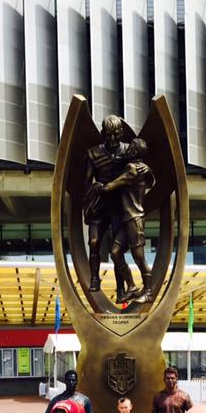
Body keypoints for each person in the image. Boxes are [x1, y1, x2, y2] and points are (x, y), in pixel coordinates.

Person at [105, 137, 155, 303]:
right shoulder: (144, 169)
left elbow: (116, 183)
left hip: (134, 218)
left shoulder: (131, 168)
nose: (128, 149)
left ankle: (148, 292)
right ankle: (132, 286)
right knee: (115, 252)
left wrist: (103, 187)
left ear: (135, 151)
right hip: (128, 219)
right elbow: (151, 182)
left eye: (131, 147)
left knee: (139, 256)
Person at [84, 114, 130, 292]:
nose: (112, 139)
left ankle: (121, 289)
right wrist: (93, 187)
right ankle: (95, 278)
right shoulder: (94, 153)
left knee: (116, 250)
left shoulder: (128, 151)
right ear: (103, 133)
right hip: (100, 205)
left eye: (116, 134)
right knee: (94, 242)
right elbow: (86, 181)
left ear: (121, 132)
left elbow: (135, 177)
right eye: (108, 135)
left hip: (120, 206)